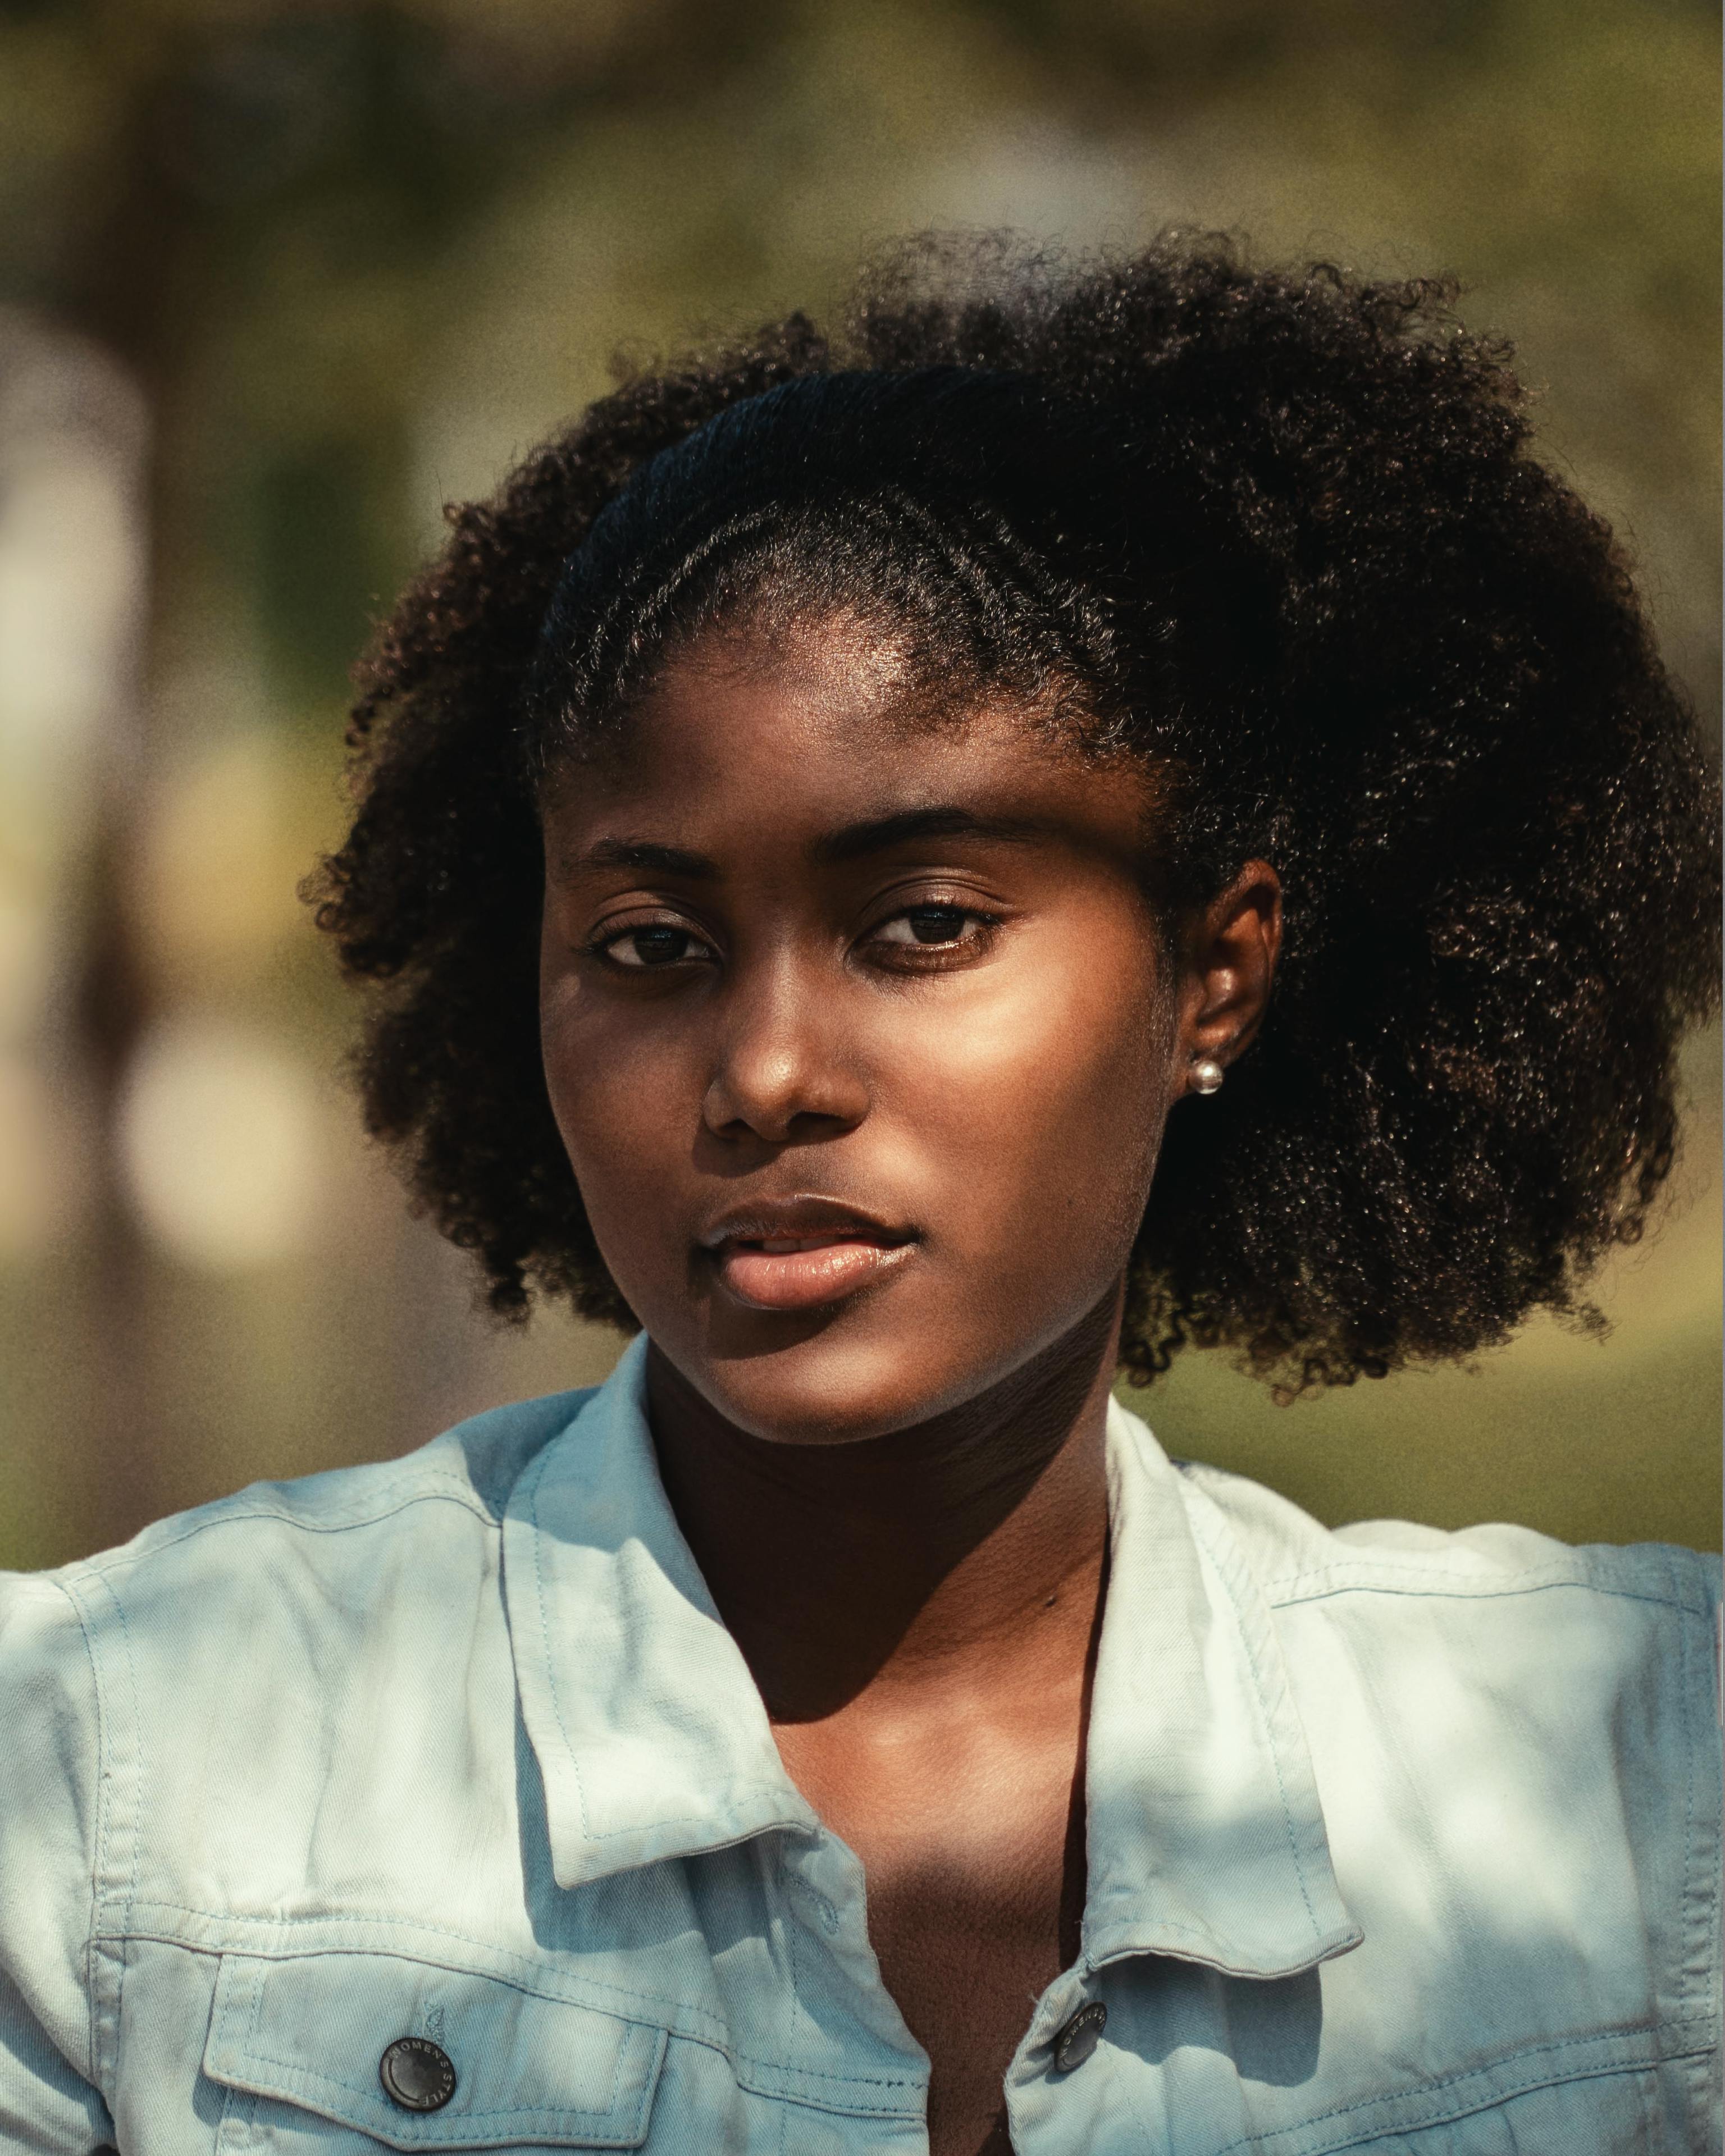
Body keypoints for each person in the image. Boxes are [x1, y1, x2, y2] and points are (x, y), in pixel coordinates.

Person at [1, 236, 1718, 2156]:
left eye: (924, 924)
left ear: (1213, 971)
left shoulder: (1650, 1787)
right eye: (652, 946)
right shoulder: (107, 1772)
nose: (765, 1074)